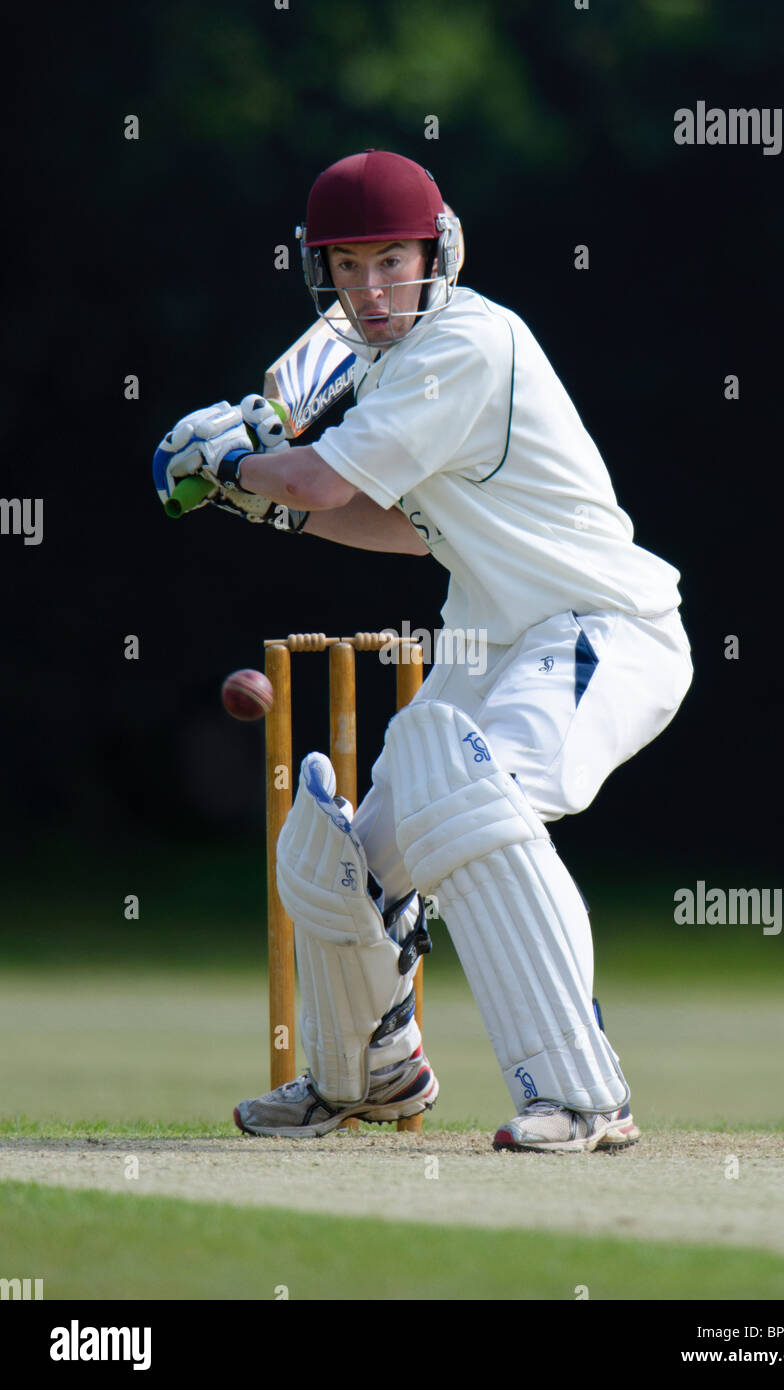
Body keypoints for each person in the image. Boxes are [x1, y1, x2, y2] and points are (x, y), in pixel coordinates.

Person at [156, 149, 693, 1153]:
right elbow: (400, 523)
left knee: (466, 789)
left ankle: (583, 1093)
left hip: (597, 626)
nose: (368, 289)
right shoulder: (384, 360)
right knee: (336, 859)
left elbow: (315, 480)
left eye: (388, 262)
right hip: (491, 638)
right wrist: (257, 494)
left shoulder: (465, 343)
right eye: (346, 267)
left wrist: (229, 461)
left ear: (434, 252)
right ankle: (371, 1073)